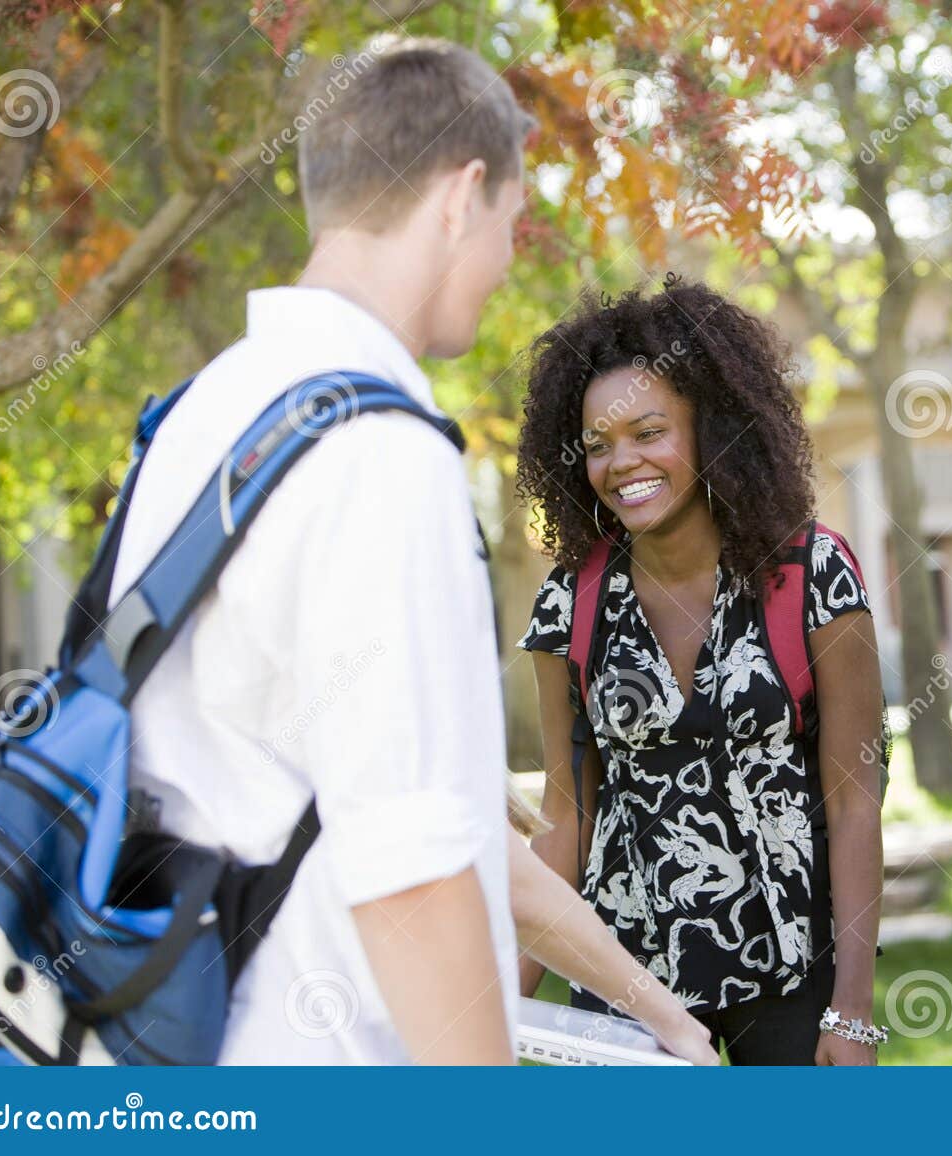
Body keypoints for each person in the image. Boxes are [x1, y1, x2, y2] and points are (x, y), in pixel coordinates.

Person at [105, 36, 713, 1067]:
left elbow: (447, 819)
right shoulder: (380, 448)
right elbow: (416, 876)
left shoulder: (204, 415)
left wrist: (660, 1010)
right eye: (511, 221)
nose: (509, 259)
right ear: (461, 197)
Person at [514, 279, 887, 1065]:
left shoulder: (812, 575)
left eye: (649, 432)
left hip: (792, 972)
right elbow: (565, 817)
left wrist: (852, 1011)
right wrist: (495, 1007)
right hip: (625, 980)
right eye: (598, 444)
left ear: (711, 430)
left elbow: (856, 802)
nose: (623, 462)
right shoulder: (570, 603)